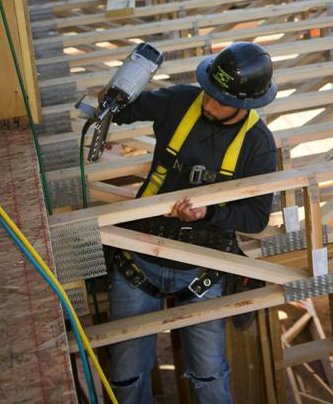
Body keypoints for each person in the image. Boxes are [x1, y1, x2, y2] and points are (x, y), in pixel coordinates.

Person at [106, 42, 279, 403]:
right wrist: (117, 95)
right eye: (208, 92)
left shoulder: (257, 143)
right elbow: (124, 109)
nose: (209, 102)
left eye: (220, 100)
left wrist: (211, 212)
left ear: (246, 104)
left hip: (203, 266)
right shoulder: (182, 101)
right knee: (125, 378)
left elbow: (256, 217)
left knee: (209, 376)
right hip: (140, 254)